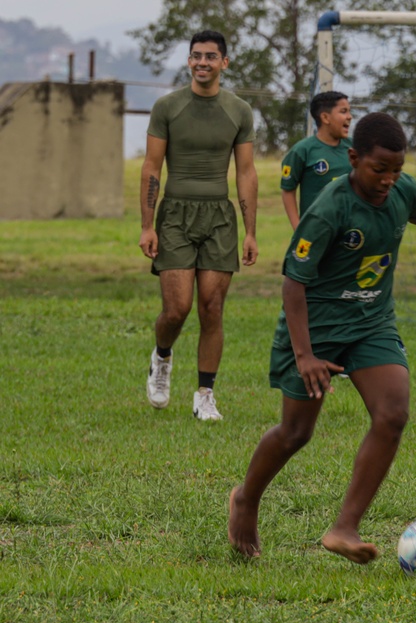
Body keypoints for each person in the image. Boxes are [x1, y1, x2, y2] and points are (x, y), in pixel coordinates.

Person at [227, 112, 416, 560]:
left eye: (396, 170)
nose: (388, 180)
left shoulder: (401, 188)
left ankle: (345, 527)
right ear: (354, 158)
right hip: (316, 328)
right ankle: (246, 499)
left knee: (393, 413)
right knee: (295, 432)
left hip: (371, 321)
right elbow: (293, 283)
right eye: (379, 170)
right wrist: (304, 355)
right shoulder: (328, 210)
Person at [139, 30, 258, 421]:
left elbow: (245, 173)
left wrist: (250, 230)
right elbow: (152, 168)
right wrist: (147, 225)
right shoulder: (168, 107)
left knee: (212, 307)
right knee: (177, 309)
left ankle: (205, 394)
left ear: (225, 62)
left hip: (218, 218)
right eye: (195, 56)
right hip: (174, 215)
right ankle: (162, 356)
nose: (202, 63)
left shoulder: (238, 111)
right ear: (188, 61)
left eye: (210, 57)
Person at [280, 91, 353, 230]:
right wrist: (299, 229)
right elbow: (288, 191)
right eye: (343, 111)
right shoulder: (302, 151)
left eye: (349, 111)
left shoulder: (355, 148)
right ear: (325, 117)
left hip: (350, 232)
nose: (350, 116)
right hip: (317, 230)